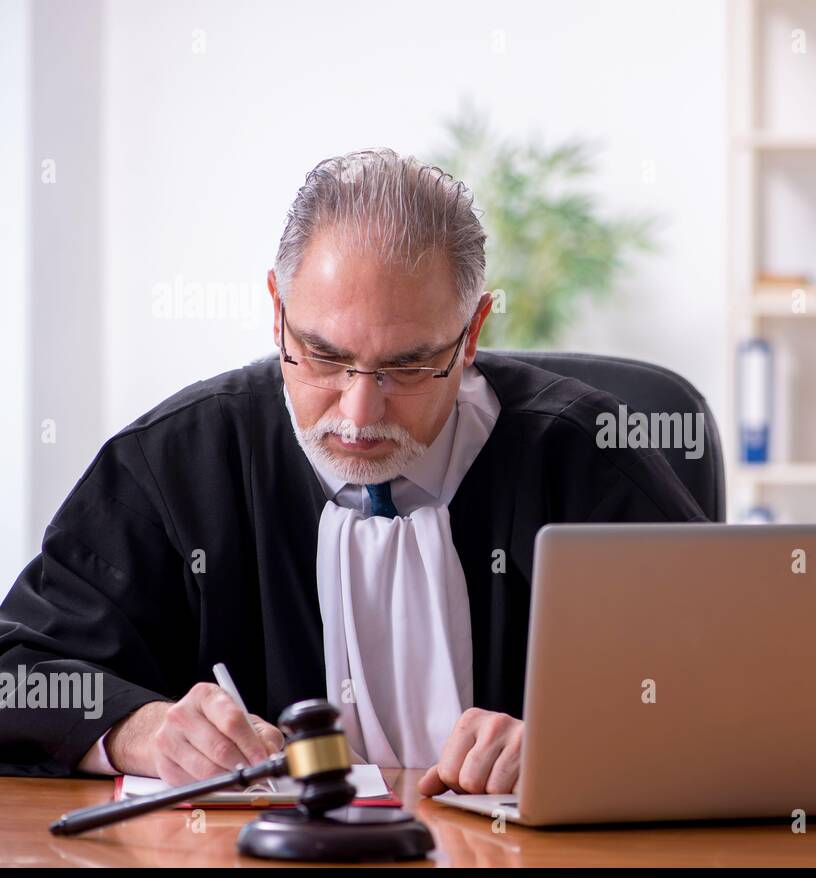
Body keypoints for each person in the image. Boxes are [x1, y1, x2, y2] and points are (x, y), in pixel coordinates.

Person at [0, 148, 706, 796]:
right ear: (277, 312)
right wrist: (140, 729)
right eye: (324, 355)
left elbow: (738, 682)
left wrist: (582, 745)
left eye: (406, 365)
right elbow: (17, 674)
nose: (359, 410)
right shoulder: (173, 464)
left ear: (472, 335)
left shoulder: (592, 458)